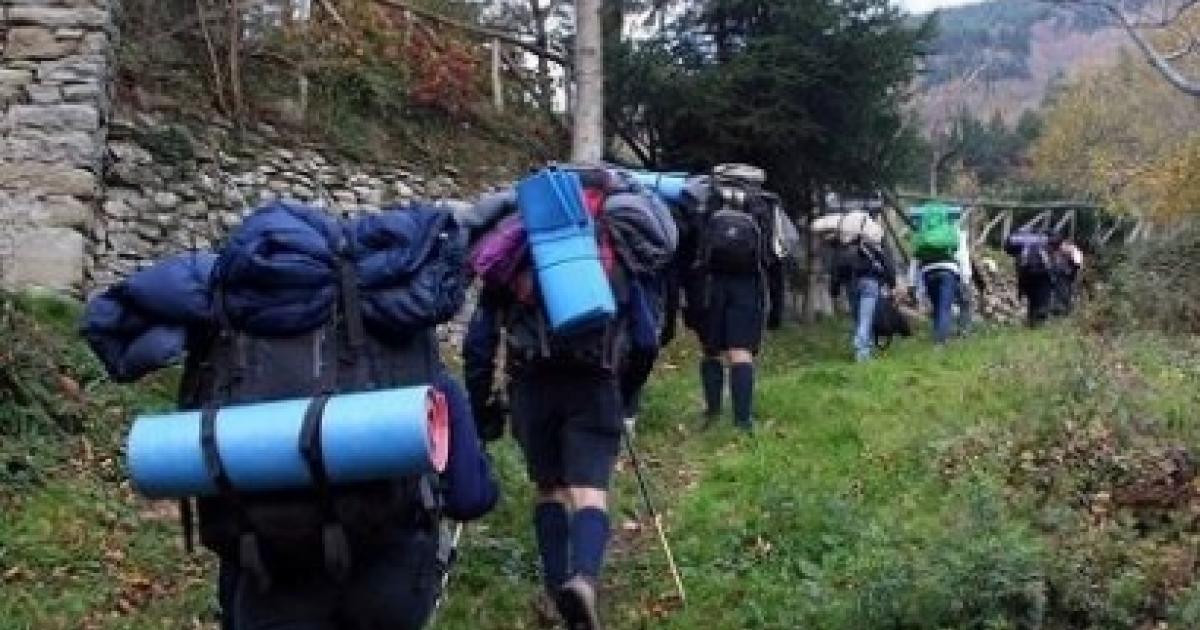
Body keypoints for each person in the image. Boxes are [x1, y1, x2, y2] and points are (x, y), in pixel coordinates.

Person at [464, 167, 640, 630]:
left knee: (550, 489)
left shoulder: (517, 247)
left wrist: (480, 404)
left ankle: (555, 586)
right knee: (590, 490)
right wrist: (628, 393)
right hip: (595, 382)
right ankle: (584, 581)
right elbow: (644, 335)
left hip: (531, 383)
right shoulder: (614, 246)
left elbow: (479, 341)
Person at [683, 165, 777, 432]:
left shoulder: (706, 200)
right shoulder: (764, 205)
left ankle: (712, 413)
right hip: (749, 285)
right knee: (741, 351)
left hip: (709, 284)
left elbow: (690, 246)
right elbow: (775, 255)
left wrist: (688, 294)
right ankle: (743, 422)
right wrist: (776, 307)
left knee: (710, 349)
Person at [842, 236, 897, 362]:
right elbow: (887, 263)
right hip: (870, 282)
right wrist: (892, 284)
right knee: (866, 319)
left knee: (859, 319)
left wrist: (834, 287)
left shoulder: (845, 245)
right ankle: (862, 352)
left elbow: (838, 266)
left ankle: (865, 350)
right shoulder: (873, 241)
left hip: (851, 285)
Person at [1006, 230, 1053, 326]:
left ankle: (1031, 319)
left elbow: (1008, 248)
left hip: (1025, 272)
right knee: (1042, 294)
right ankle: (1040, 314)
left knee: (1030, 296)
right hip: (1042, 272)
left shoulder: (1018, 239)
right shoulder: (1044, 238)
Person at [1048, 233, 1083, 315]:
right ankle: (1058, 309)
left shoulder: (1071, 249)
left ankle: (1065, 309)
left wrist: (1071, 271)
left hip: (1069, 273)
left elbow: (1077, 263)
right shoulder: (1057, 250)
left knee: (1067, 291)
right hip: (1061, 273)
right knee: (1059, 290)